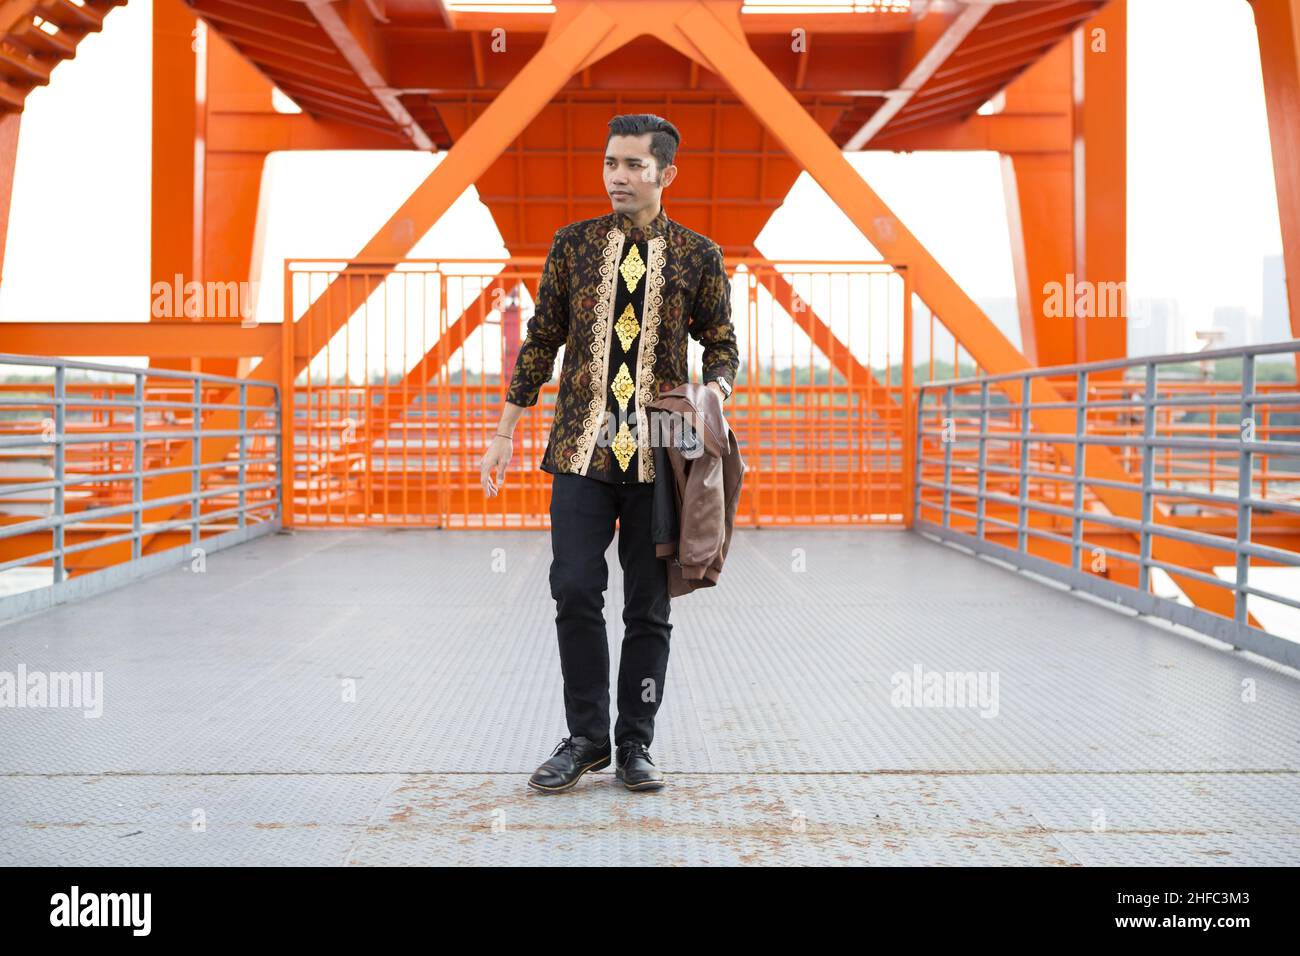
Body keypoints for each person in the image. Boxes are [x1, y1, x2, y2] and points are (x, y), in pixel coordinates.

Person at [480, 113, 739, 793]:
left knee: (649, 606)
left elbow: (722, 345)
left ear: (665, 174)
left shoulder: (697, 255)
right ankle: (587, 737)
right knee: (572, 587)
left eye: (633, 165)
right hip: (579, 448)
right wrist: (506, 428)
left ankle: (635, 744)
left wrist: (715, 392)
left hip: (659, 453)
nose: (618, 177)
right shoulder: (573, 246)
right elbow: (541, 341)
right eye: (610, 164)